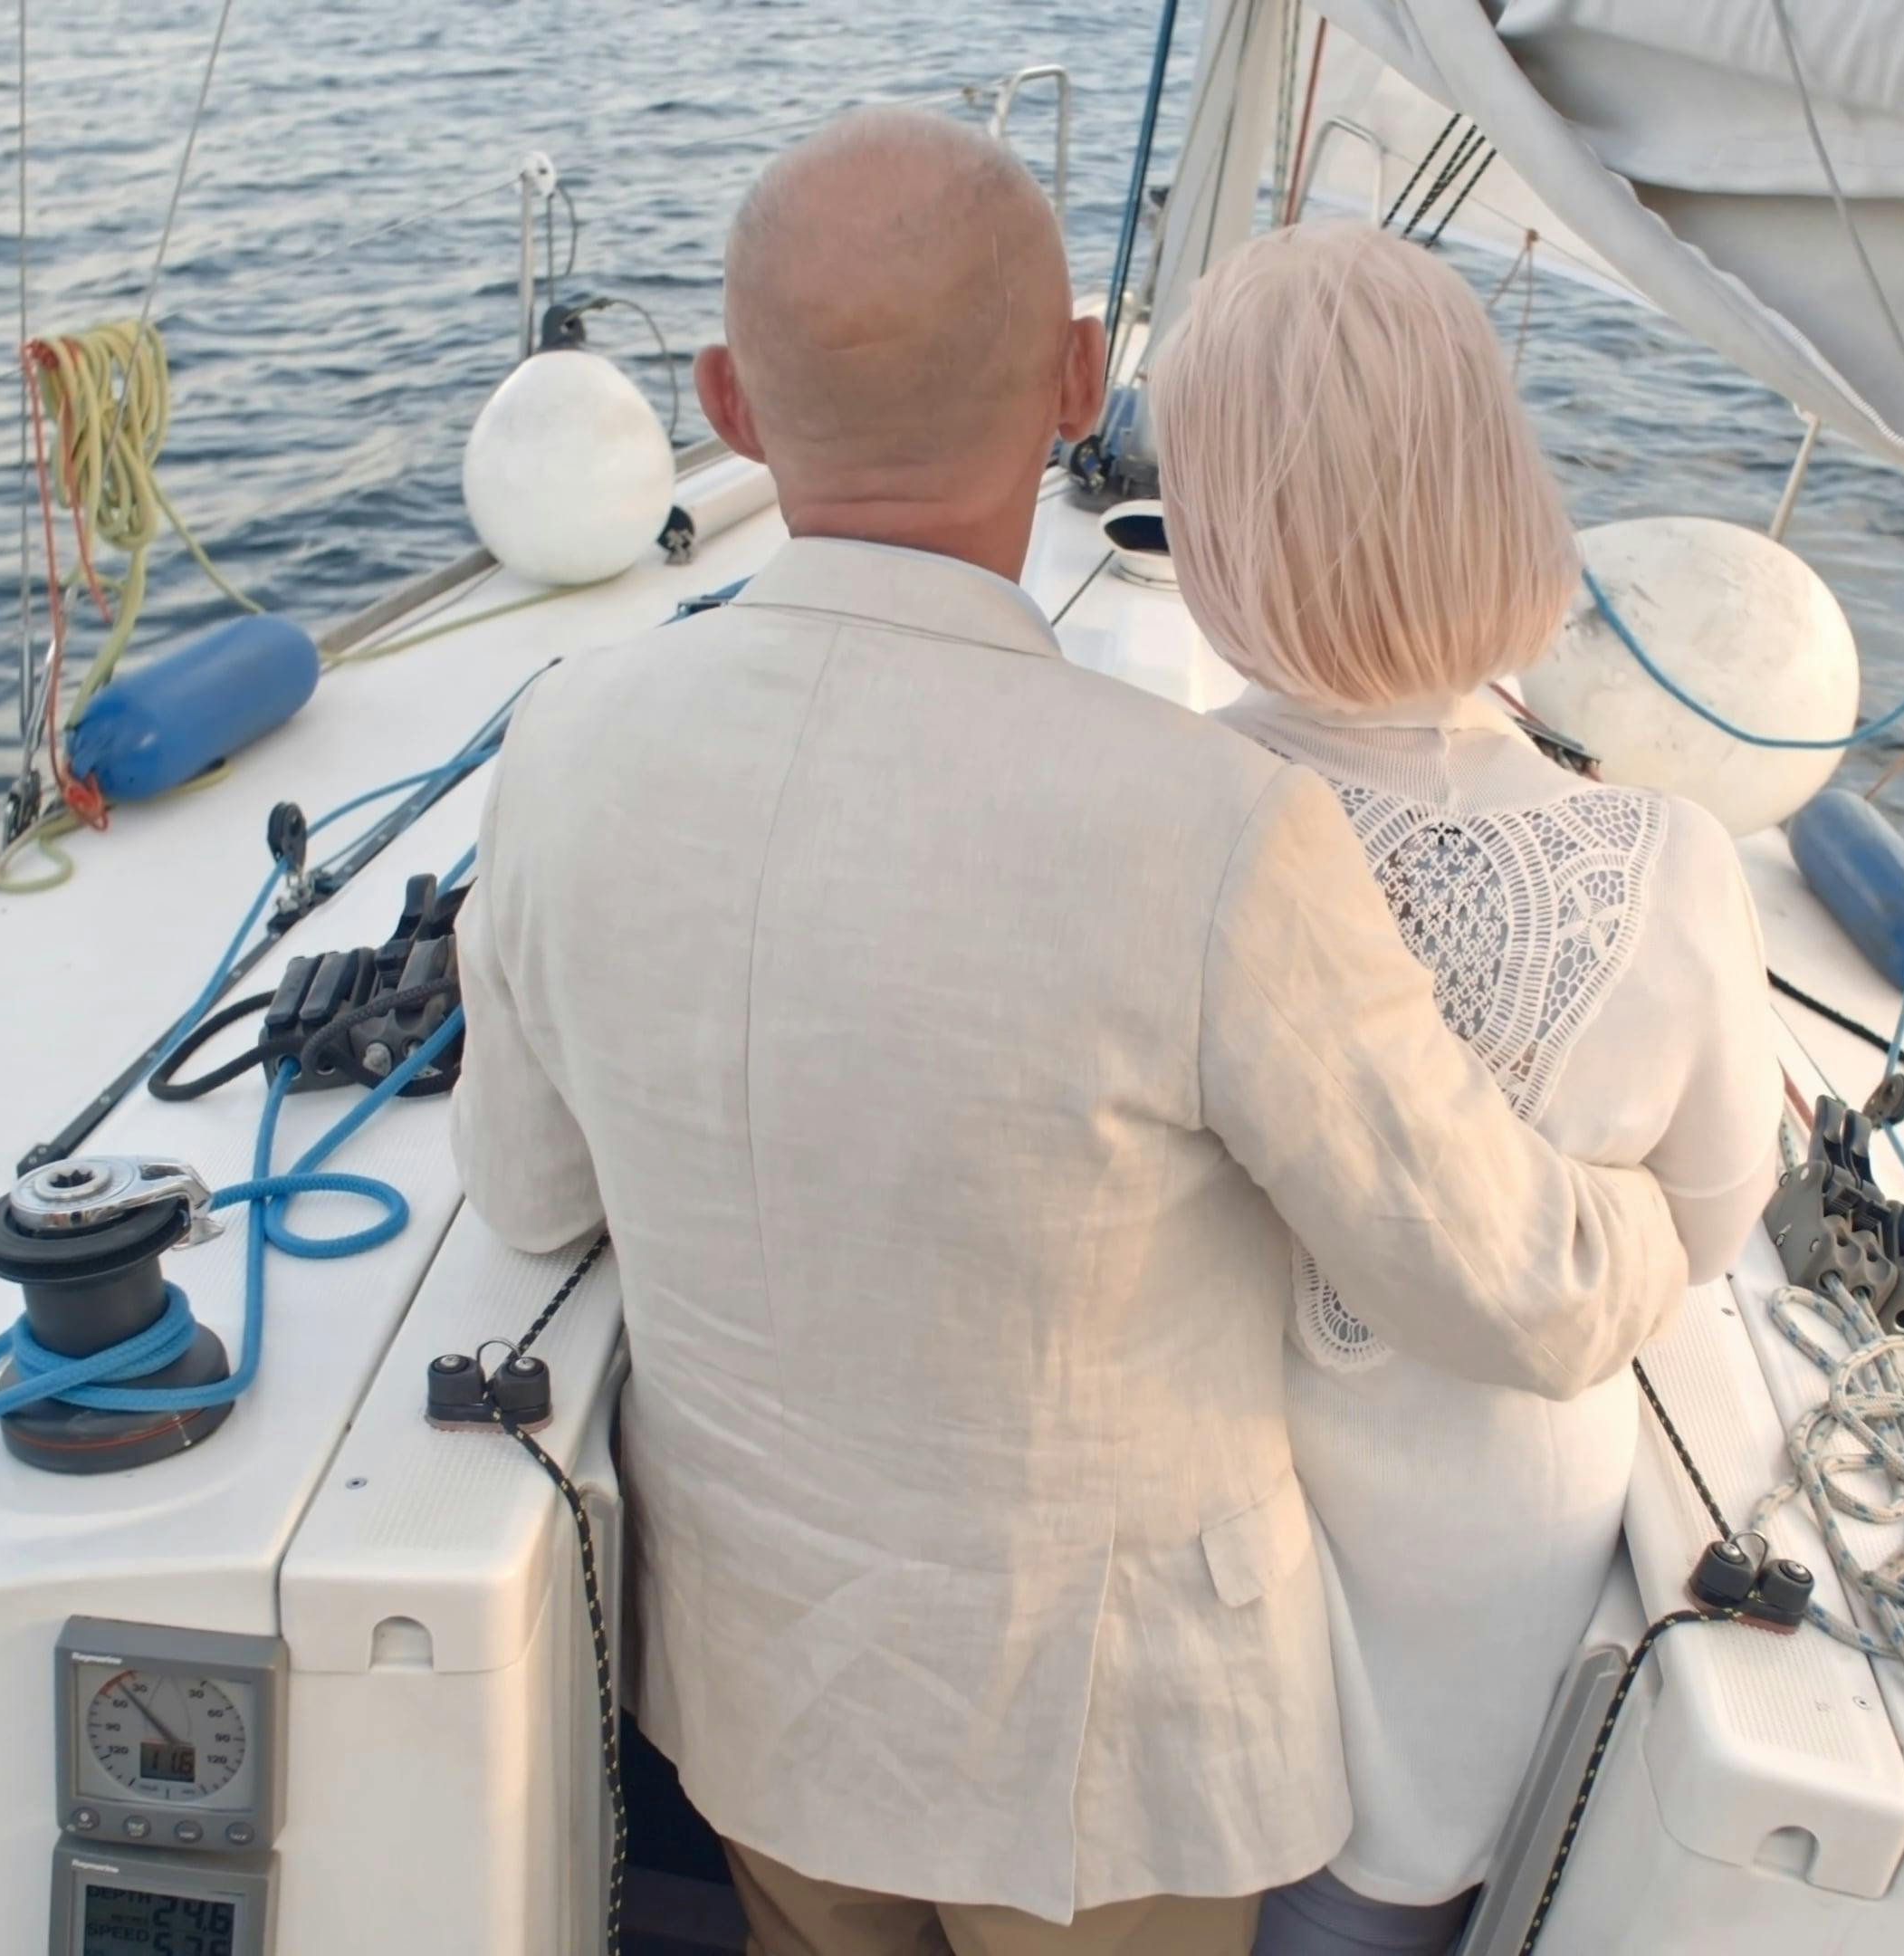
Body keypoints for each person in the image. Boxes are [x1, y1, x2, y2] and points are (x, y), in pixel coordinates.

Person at [447, 112, 1695, 1956]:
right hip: (1115, 1774)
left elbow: (529, 1198)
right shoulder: (1210, 830)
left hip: (761, 1702)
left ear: (721, 400)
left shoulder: (559, 743)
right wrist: (1665, 1223)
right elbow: (1520, 1291)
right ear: (1077, 381)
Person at [1153, 222, 1784, 1955]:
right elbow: (1716, 1223)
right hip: (1472, 1611)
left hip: (1180, 1598)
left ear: (1215, 530)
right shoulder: (1668, 866)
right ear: (1503, 489)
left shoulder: (1152, 816)